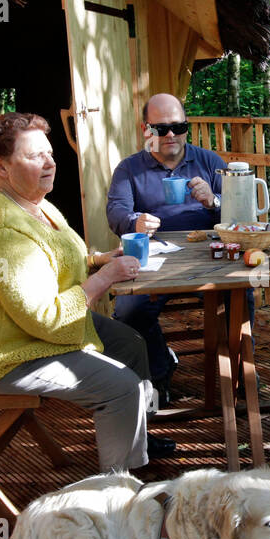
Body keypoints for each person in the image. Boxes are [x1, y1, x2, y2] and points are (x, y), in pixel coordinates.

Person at [0, 111, 174, 473]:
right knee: (122, 386)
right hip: (4, 353)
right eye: (35, 156)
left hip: (28, 331)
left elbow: (52, 259)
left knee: (132, 344)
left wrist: (97, 260)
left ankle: (136, 439)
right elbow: (46, 318)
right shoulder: (2, 232)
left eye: (49, 153)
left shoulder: (29, 200)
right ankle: (117, 487)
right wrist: (104, 278)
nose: (50, 163)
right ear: (1, 166)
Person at [106, 93, 239, 404]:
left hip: (209, 257)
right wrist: (135, 221)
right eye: (160, 128)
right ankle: (159, 369)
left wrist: (215, 201)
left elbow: (240, 215)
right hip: (153, 261)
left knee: (240, 297)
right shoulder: (129, 169)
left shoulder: (210, 162)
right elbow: (115, 213)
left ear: (186, 127)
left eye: (178, 127)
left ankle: (238, 370)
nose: (170, 135)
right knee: (129, 310)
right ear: (146, 129)